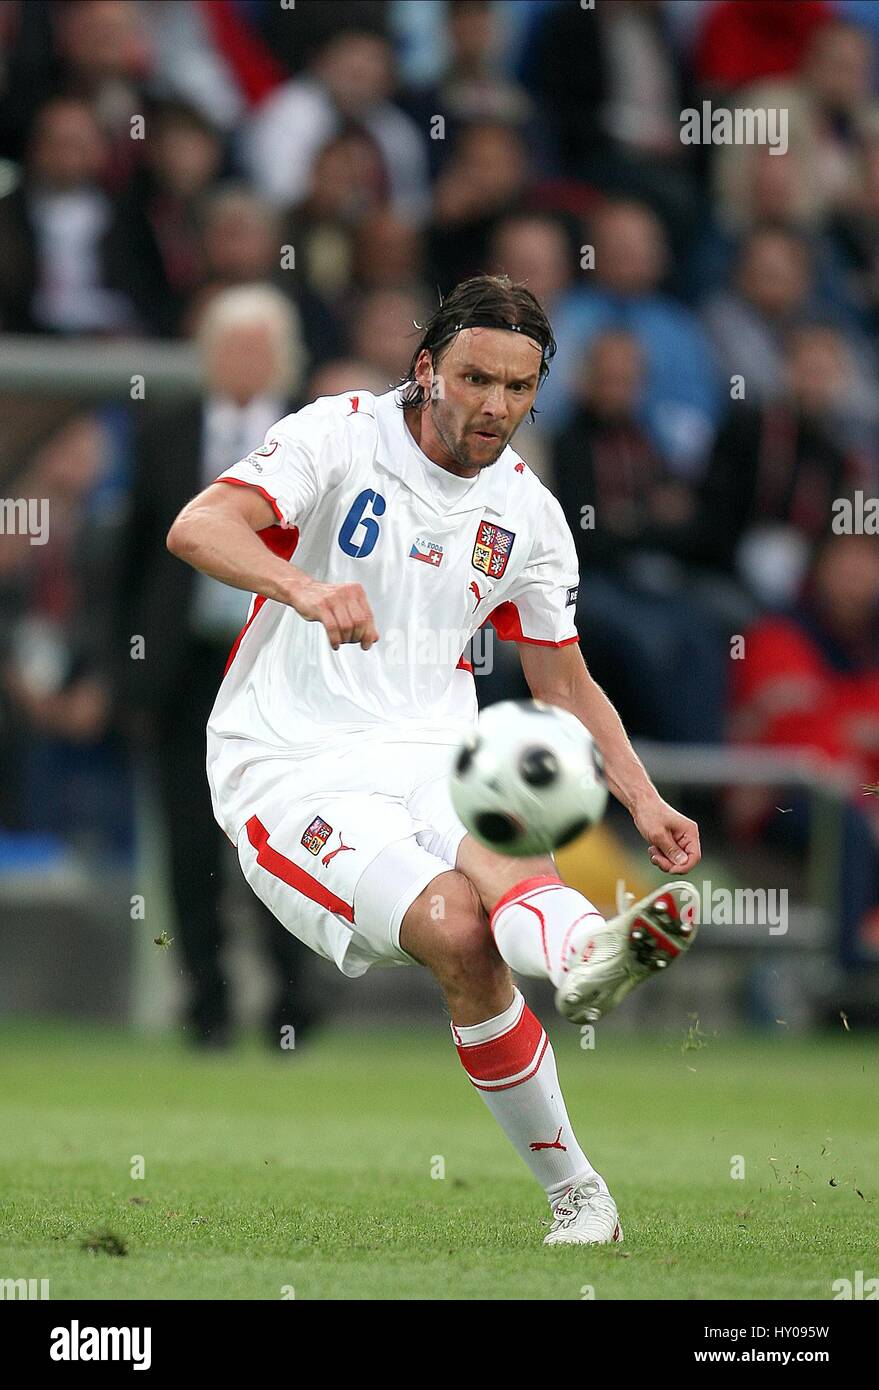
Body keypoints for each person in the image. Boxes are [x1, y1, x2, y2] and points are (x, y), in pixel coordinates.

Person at [166, 274, 702, 1246]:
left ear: (539, 390)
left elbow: (566, 684)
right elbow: (198, 525)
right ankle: (574, 1160)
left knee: (500, 845)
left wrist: (645, 797)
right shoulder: (340, 434)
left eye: (517, 386)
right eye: (474, 378)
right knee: (459, 934)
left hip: (431, 747)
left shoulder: (530, 516)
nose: (494, 405)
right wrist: (304, 587)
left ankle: (586, 965)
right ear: (427, 370)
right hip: (291, 763)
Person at [110, 284, 316, 1049]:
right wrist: (124, 669)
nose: (242, 361)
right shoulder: (166, 430)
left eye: (257, 347)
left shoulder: (312, 435)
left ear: (282, 358)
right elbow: (129, 558)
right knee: (190, 843)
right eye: (229, 346)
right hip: (184, 667)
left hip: (280, 666)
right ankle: (208, 1007)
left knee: (285, 832)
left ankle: (293, 1003)